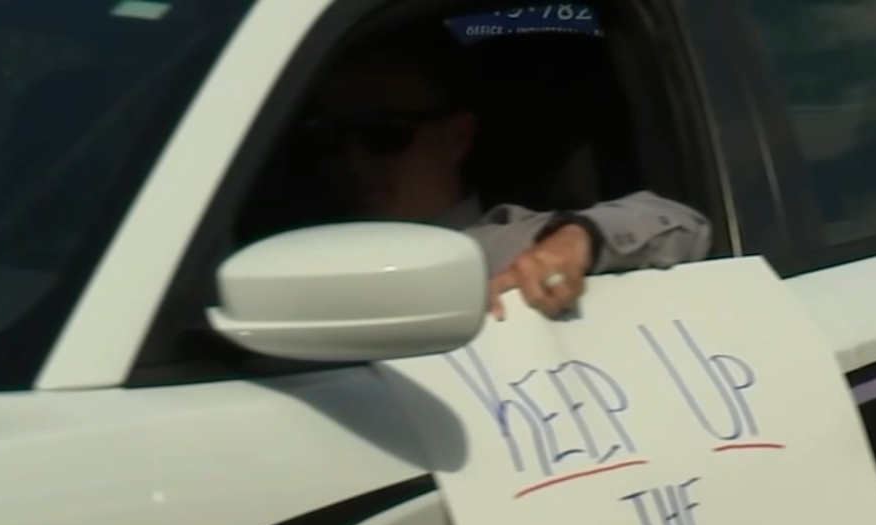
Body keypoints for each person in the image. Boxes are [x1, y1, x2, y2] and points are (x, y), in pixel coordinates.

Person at [302, 20, 712, 321]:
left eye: (383, 134)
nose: (353, 160)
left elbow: (685, 225)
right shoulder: (298, 262)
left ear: (455, 138)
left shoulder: (514, 246)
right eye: (328, 138)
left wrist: (575, 241)